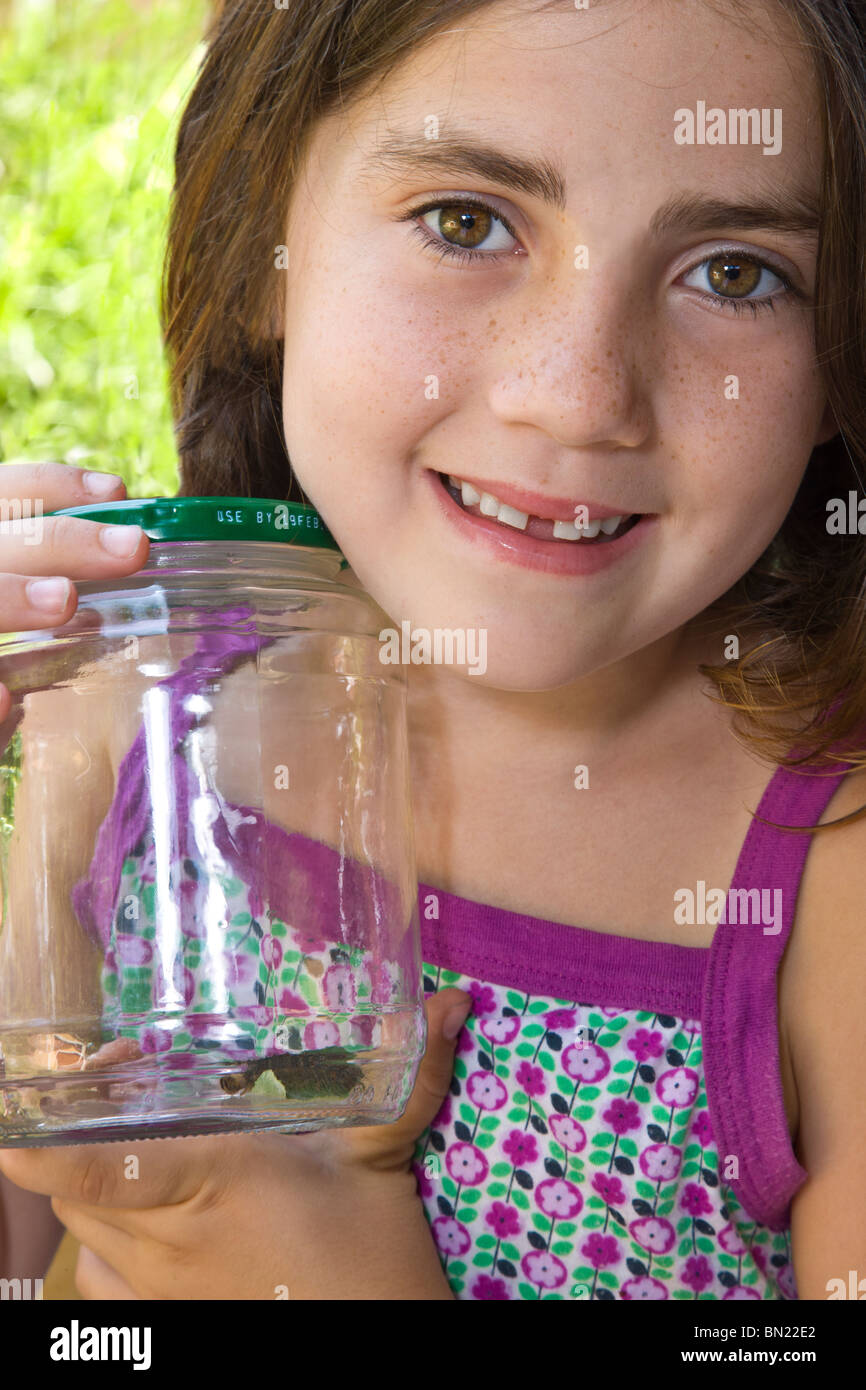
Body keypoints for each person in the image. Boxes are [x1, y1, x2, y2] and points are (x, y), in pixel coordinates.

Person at [1, 0, 865, 1301]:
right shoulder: (130, 705)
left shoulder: (828, 878)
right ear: (263, 251)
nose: (577, 394)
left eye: (733, 270)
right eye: (465, 221)